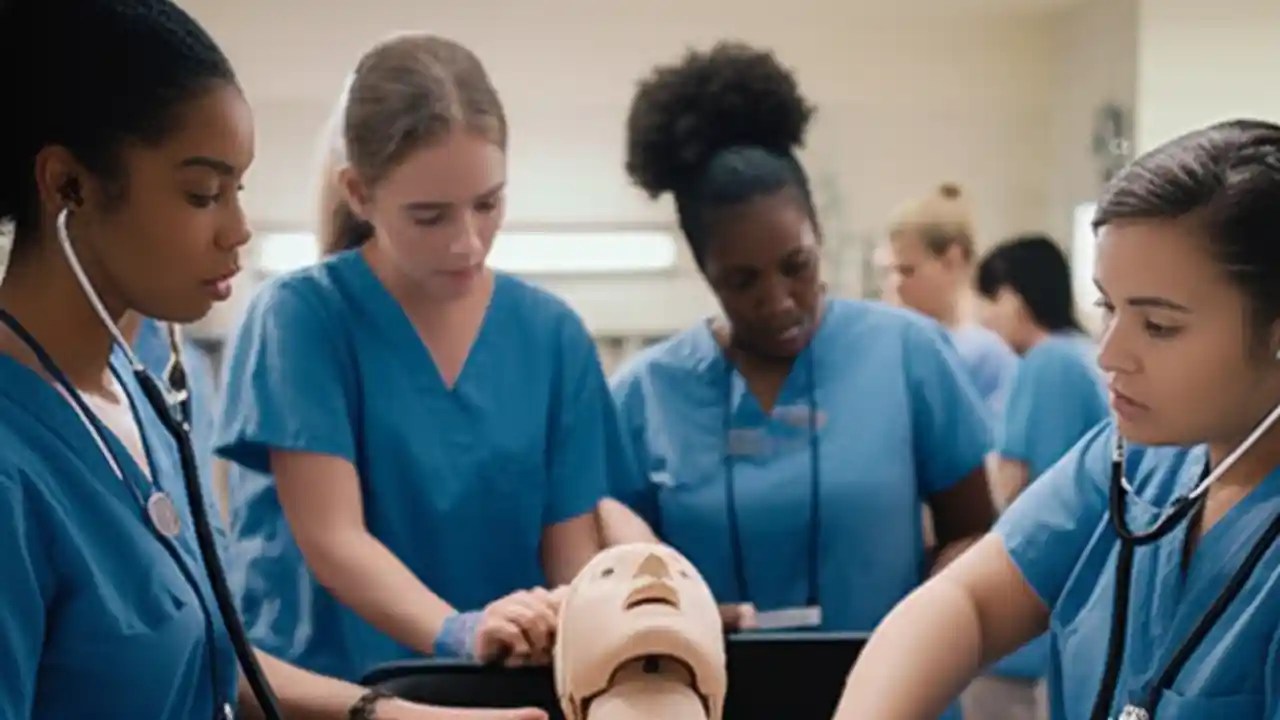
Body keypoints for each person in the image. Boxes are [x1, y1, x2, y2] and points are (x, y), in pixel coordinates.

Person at [0, 2, 544, 718]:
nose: (239, 229)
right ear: (68, 185)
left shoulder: (140, 406)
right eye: (202, 193)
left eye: (239, 188)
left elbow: (209, 659)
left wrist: (391, 714)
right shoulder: (15, 462)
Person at [596, 43, 996, 720]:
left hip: (897, 697)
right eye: (742, 281)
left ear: (819, 235)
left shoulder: (907, 355)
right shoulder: (646, 394)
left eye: (797, 265)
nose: (778, 299)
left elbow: (975, 532)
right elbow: (611, 575)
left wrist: (926, 623)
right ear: (704, 271)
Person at [835, 118, 1280, 720]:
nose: (1109, 353)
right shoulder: (1131, 466)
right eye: (1106, 306)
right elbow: (968, 603)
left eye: (1159, 326)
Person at [215, 32, 612, 683]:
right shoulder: (301, 318)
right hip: (333, 690)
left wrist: (567, 615)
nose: (467, 243)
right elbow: (333, 540)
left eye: (488, 205)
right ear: (359, 193)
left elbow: (571, 554)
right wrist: (462, 630)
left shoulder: (552, 335)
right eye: (430, 216)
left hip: (499, 691)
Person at [960, 235, 1109, 720]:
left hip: (1031, 630)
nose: (986, 318)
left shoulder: (1046, 364)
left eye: (991, 300)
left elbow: (1016, 489)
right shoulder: (1086, 356)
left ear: (1014, 295)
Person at [884, 184, 1019, 417]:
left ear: (951, 261)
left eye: (907, 271)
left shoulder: (986, 357)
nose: (896, 284)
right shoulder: (891, 345)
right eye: (891, 272)